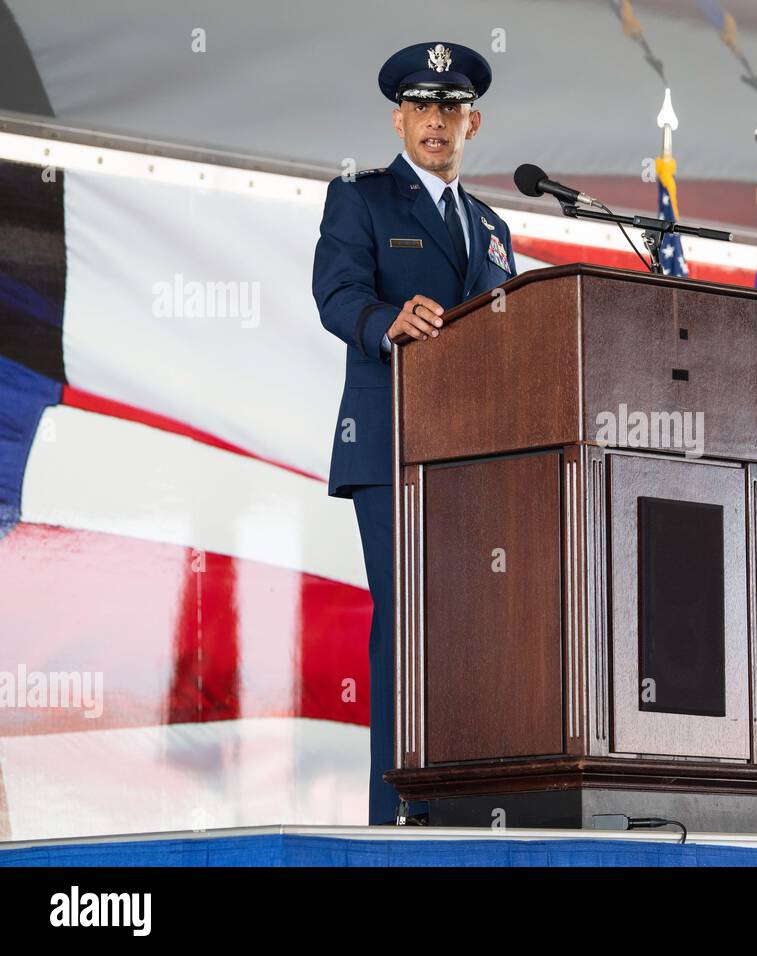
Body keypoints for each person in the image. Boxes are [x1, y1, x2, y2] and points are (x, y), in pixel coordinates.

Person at [312, 41, 517, 825]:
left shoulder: (493, 226)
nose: (437, 122)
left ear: (475, 122)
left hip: (475, 460)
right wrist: (385, 322)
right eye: (423, 108)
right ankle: (400, 813)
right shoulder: (359, 198)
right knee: (410, 615)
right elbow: (335, 295)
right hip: (390, 444)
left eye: (452, 109)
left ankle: (464, 804)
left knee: (469, 623)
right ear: (400, 118)